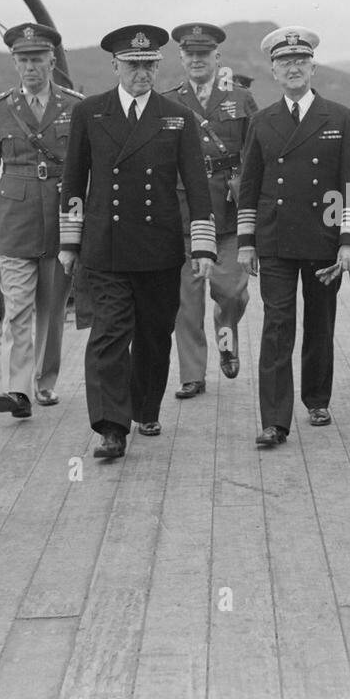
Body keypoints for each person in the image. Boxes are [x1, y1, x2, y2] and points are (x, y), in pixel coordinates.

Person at [58, 24, 216, 461]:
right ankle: (111, 427)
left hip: (158, 248)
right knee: (108, 335)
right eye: (133, 65)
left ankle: (145, 408)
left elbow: (197, 186)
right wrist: (69, 243)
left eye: (149, 65)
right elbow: (73, 181)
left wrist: (202, 246)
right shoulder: (90, 113)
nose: (142, 72)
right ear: (115, 66)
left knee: (153, 336)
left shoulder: (177, 116)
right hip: (105, 247)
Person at [237, 26, 350, 447]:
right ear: (274, 71)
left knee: (320, 322)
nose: (293, 68)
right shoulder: (261, 121)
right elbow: (250, 187)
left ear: (312, 67)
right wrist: (246, 242)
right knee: (276, 325)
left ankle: (316, 398)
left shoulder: (339, 117)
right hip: (275, 240)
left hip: (324, 240)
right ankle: (274, 419)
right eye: (284, 62)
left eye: (300, 61)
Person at [0, 22, 82, 418]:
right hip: (14, 219)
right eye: (23, 60)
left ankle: (44, 381)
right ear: (14, 63)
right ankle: (17, 390)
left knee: (52, 308)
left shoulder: (74, 106)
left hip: (59, 218)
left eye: (37, 59)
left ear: (51, 60)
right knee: (18, 307)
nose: (31, 68)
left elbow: (83, 167)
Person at [166, 23, 258, 399]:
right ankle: (193, 374)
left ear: (216, 57)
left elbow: (256, 155)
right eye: (190, 54)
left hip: (229, 210)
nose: (197, 60)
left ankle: (225, 333)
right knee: (186, 302)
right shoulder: (168, 100)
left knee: (231, 293)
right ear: (182, 58)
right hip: (185, 209)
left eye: (204, 54)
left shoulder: (240, 98)